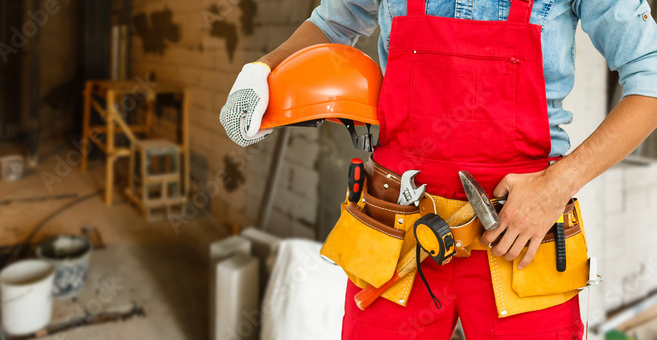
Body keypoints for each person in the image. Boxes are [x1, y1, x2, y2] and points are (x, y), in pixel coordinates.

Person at [219, 0, 657, 339]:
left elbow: (650, 78)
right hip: (397, 235)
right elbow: (333, 21)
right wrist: (262, 70)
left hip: (522, 238)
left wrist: (557, 185)